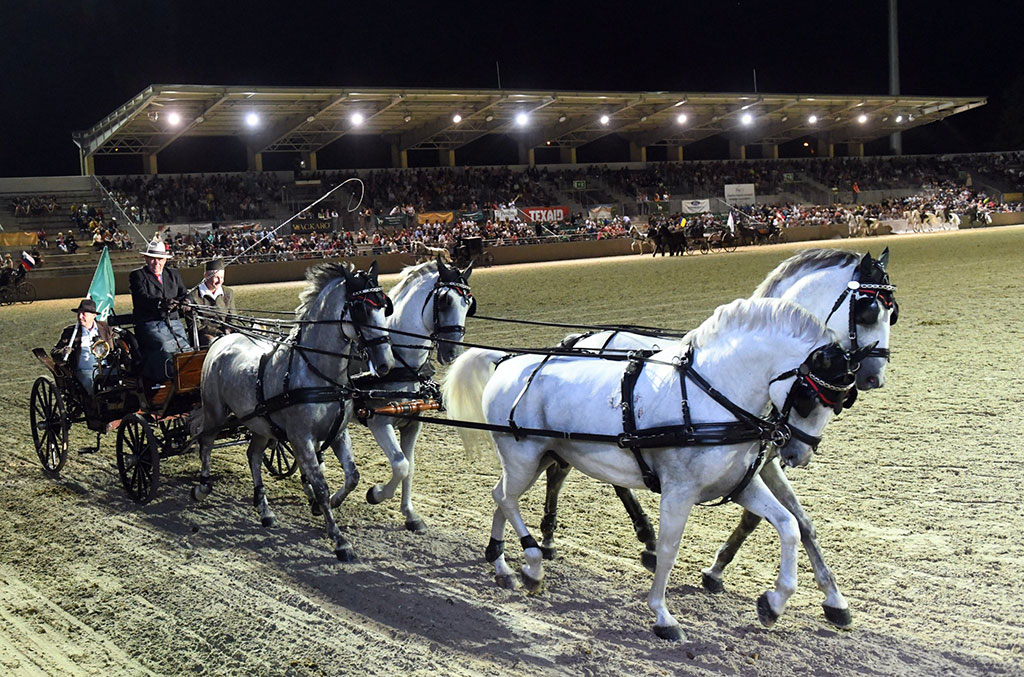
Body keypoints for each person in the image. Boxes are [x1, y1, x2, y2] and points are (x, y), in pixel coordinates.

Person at [129, 239, 191, 382]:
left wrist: (187, 301)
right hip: (149, 324)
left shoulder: (173, 274)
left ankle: (187, 381)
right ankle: (168, 380)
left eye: (160, 259)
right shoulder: (138, 276)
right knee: (165, 346)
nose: (157, 263)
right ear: (146, 258)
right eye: (152, 259)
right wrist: (161, 303)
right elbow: (142, 298)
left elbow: (184, 293)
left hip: (173, 322)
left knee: (186, 348)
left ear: (165, 260)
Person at [52, 299, 114, 394]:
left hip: (106, 368)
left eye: (84, 314)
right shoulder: (70, 333)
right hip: (85, 371)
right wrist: (63, 352)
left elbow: (115, 344)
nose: (80, 317)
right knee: (93, 387)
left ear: (94, 315)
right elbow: (54, 352)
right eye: (79, 314)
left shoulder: (105, 328)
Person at [186, 258, 235, 347]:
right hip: (205, 337)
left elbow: (232, 317)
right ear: (206, 276)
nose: (220, 281)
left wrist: (230, 330)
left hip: (227, 334)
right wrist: (219, 333)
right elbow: (195, 326)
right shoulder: (193, 295)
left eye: (222, 277)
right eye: (216, 277)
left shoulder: (228, 293)